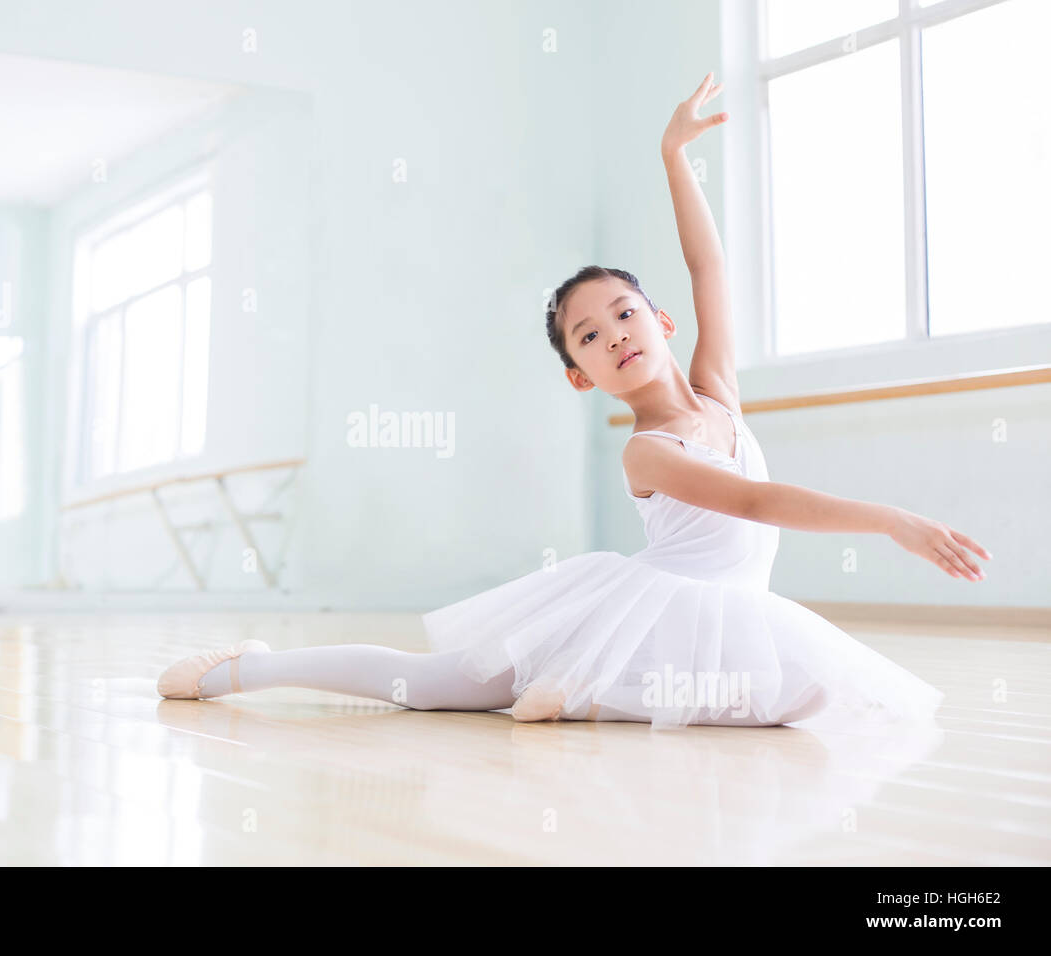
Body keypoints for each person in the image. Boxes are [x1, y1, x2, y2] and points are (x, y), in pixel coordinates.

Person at [157, 72, 990, 729]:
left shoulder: (720, 393)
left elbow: (711, 271)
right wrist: (891, 519)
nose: (614, 333)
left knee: (803, 699)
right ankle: (252, 669)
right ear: (581, 377)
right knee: (435, 686)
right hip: (623, 617)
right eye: (588, 336)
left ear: (659, 321)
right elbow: (756, 499)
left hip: (711, 622)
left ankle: (586, 696)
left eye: (625, 313)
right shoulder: (648, 451)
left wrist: (673, 155)